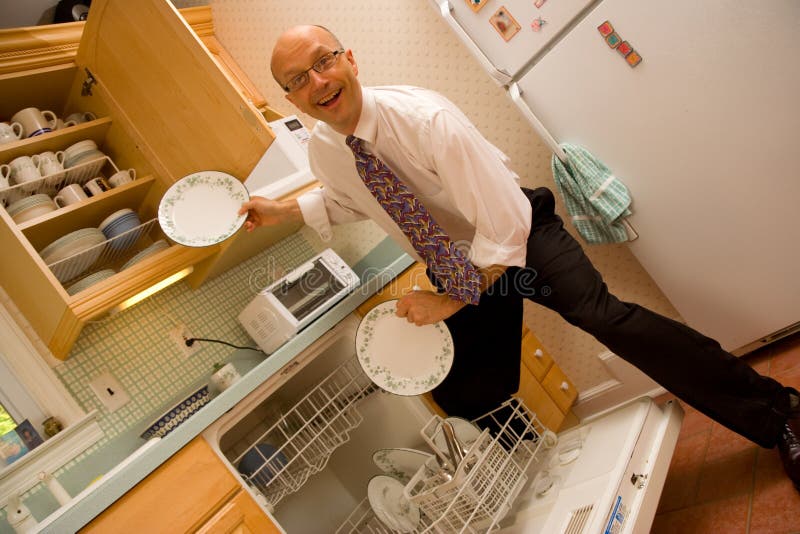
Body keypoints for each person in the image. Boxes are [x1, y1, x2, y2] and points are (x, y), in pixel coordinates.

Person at [239, 24, 800, 490]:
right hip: (457, 262)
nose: (318, 82)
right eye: (298, 79)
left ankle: (781, 413)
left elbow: (504, 224)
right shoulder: (326, 151)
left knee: (605, 318)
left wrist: (449, 301)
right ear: (292, 99)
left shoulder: (425, 119)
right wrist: (283, 211)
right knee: (460, 387)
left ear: (350, 60)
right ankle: (537, 475)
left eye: (323, 62)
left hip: (521, 236)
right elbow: (348, 199)